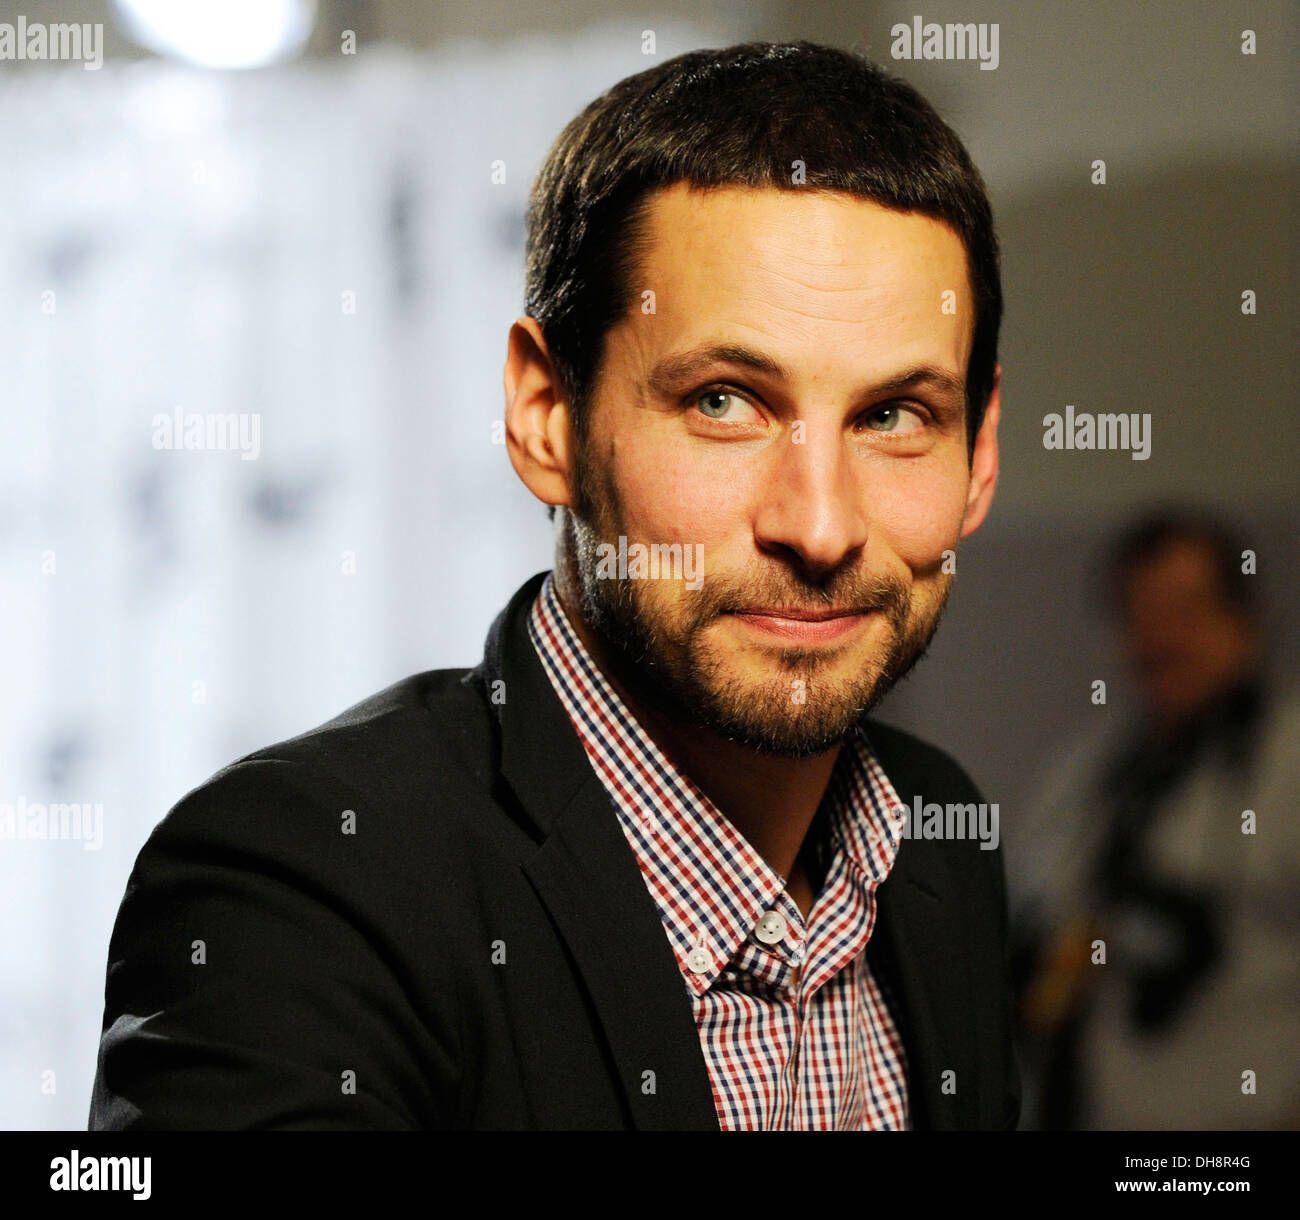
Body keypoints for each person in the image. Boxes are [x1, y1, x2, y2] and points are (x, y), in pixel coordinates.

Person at [89, 40, 1018, 1131]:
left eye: (894, 416)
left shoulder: (939, 834)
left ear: (981, 451)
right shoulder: (305, 881)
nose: (819, 524)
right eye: (725, 401)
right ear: (546, 417)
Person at [1015, 511, 1300, 1129]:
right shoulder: (1091, 771)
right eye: (1137, 614)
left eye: (1184, 609)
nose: (1159, 636)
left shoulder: (1289, 760)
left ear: (1245, 617)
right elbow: (1041, 933)